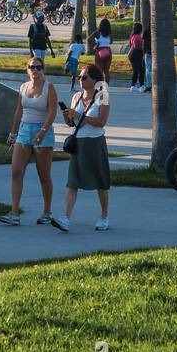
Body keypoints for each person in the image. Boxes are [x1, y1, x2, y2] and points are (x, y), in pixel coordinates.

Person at [51, 63, 111, 233]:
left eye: (84, 77)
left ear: (95, 79)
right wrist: (68, 118)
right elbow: (72, 124)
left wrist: (80, 116)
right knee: (72, 182)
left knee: (101, 182)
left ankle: (104, 216)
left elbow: (101, 122)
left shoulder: (102, 96)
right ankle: (65, 218)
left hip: (95, 143)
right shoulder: (76, 96)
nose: (81, 80)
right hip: (79, 143)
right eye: (80, 77)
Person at [0, 58, 58, 226]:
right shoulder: (23, 87)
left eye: (38, 67)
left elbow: (53, 112)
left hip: (43, 131)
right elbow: (19, 110)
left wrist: (42, 133)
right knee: (16, 171)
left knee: (44, 175)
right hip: (24, 130)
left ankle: (47, 212)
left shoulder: (49, 88)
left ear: (43, 70)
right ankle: (14, 212)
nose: (35, 70)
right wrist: (13, 132)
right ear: (27, 70)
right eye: (32, 67)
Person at [127, 22, 144, 90]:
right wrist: (143, 48)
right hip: (136, 54)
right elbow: (136, 45)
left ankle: (134, 85)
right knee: (140, 69)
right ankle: (140, 85)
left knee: (137, 70)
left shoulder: (134, 35)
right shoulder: (136, 36)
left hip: (133, 54)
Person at [96, 17, 113, 82]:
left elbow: (89, 39)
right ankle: (106, 86)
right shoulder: (110, 34)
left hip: (100, 50)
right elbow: (111, 42)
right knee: (107, 71)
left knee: (100, 71)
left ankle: (100, 86)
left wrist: (96, 44)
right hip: (108, 50)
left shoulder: (97, 33)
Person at [142, 23, 152, 92]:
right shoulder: (159, 30)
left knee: (148, 69)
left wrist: (143, 53)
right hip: (156, 53)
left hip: (148, 52)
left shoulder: (146, 31)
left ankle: (149, 85)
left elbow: (144, 43)